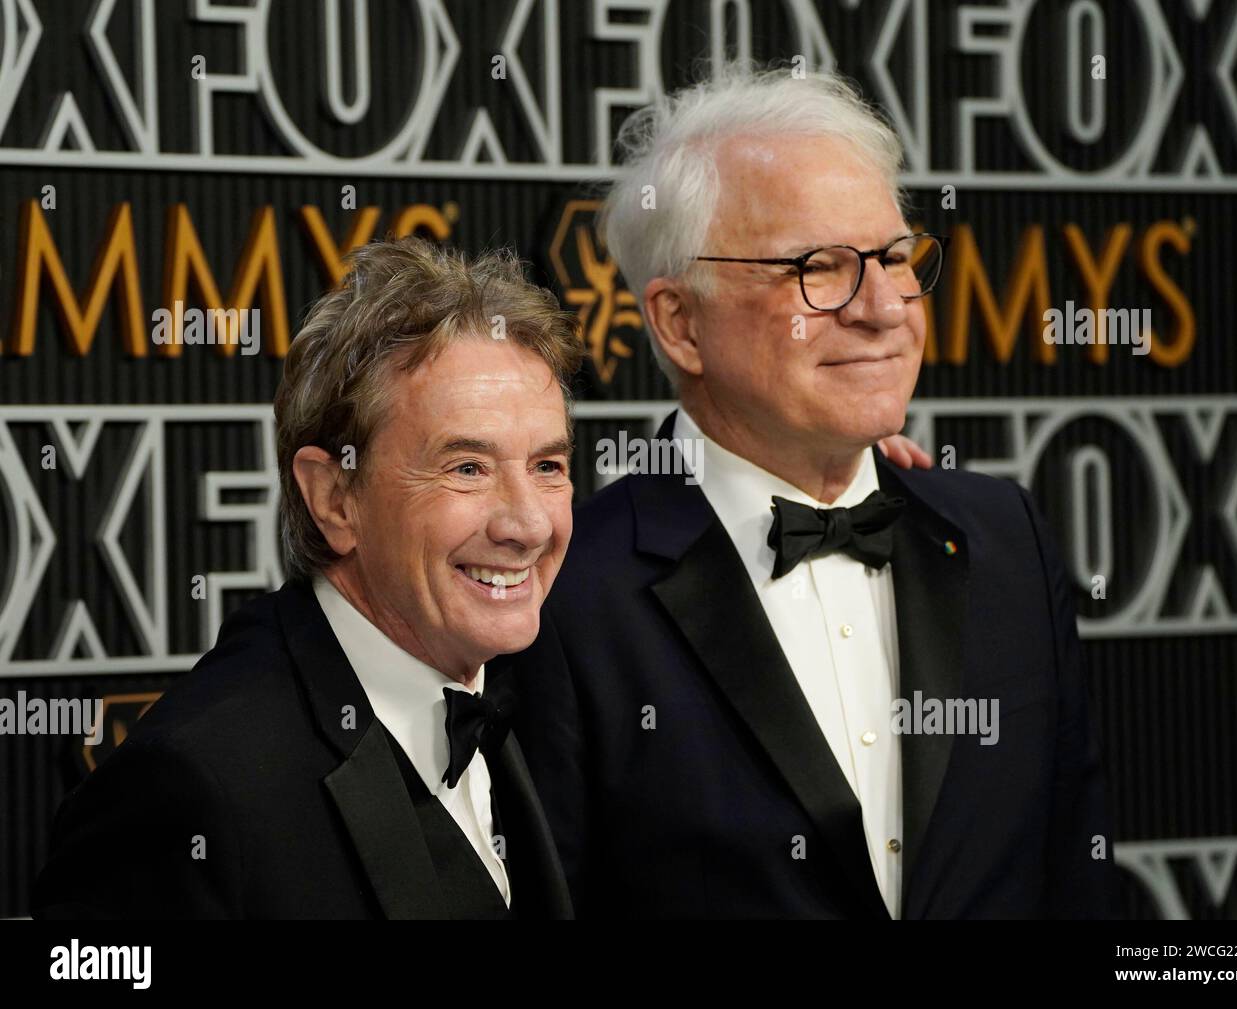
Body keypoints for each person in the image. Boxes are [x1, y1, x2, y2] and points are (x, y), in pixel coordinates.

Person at [491, 66, 1119, 919]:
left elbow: (1078, 884)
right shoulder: (567, 598)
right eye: (817, 268)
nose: (882, 307)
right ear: (680, 322)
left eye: (894, 257)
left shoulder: (1006, 539)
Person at [33, 238, 582, 918]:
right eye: (467, 467)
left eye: (548, 467)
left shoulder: (502, 693)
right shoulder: (190, 787)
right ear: (333, 498)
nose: (527, 524)